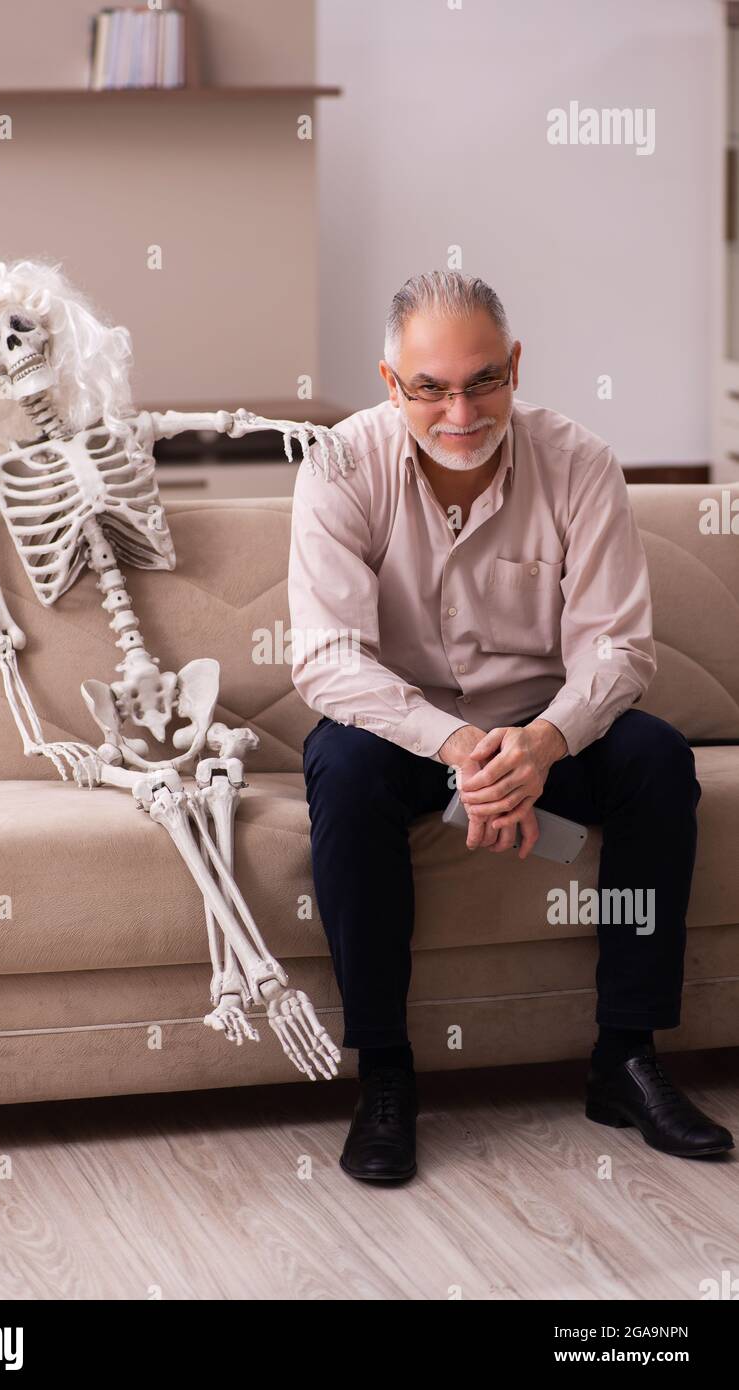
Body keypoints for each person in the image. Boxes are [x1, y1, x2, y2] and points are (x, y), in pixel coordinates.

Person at [287, 269, 733, 1183]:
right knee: (340, 762)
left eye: (483, 380)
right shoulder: (339, 464)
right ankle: (385, 1076)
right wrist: (458, 752)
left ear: (516, 367)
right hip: (406, 743)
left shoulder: (581, 463)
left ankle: (626, 1058)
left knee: (654, 758)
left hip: (545, 740)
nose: (460, 410)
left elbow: (617, 651)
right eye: (430, 388)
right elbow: (328, 660)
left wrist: (538, 746)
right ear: (389, 383)